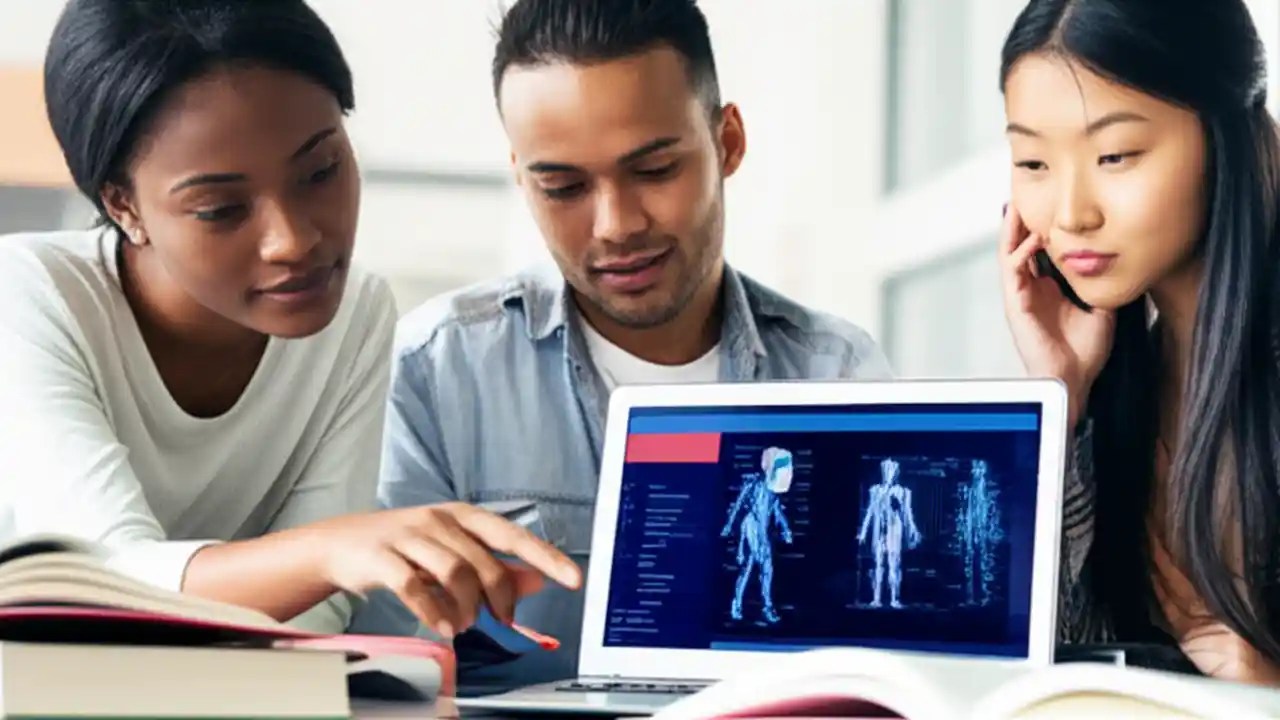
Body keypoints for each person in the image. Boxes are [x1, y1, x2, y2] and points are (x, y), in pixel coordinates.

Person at [0, 0, 575, 638]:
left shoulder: (355, 315)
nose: (293, 241)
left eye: (321, 171)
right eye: (220, 208)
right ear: (123, 205)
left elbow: (323, 610)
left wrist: (340, 560)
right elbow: (102, 587)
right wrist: (333, 550)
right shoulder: (31, 293)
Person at [360, 0, 893, 689]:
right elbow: (389, 674)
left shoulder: (837, 374)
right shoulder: (438, 371)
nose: (615, 225)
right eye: (564, 187)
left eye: (654, 170)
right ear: (522, 179)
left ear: (727, 141)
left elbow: (882, 662)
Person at [999, 0, 1280, 684]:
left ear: (1225, 137)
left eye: (1115, 154)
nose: (1070, 214)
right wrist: (1058, 395)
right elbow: (1047, 671)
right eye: (1033, 162)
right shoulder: (1119, 392)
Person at [721, 447, 795, 624]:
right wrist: (729, 525)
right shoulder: (752, 484)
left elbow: (777, 512)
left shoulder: (773, 493)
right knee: (747, 567)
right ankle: (737, 605)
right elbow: (738, 505)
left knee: (767, 569)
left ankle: (767, 607)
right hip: (751, 526)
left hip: (762, 530)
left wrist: (786, 530)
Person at [857, 458, 921, 609]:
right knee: (878, 563)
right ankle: (876, 598)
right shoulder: (875, 490)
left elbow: (907, 514)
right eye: (886, 469)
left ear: (896, 472)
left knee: (894, 563)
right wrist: (864, 532)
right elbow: (870, 512)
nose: (888, 472)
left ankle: (894, 598)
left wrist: (913, 529)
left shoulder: (903, 492)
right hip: (880, 528)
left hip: (894, 528)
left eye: (891, 469)